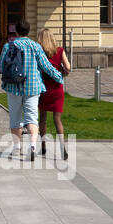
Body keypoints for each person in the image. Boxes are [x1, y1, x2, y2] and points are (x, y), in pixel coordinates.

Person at [0, 20, 61, 161]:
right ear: (29, 32)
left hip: (13, 87)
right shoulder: (35, 46)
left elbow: (0, 67)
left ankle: (16, 149)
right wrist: (58, 77)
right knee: (32, 117)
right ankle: (32, 147)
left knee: (15, 118)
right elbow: (46, 65)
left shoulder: (8, 46)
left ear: (16, 31)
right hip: (33, 87)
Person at [35, 29, 71, 161]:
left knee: (42, 119)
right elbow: (68, 67)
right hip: (57, 89)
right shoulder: (60, 50)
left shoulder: (39, 52)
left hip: (43, 88)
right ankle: (63, 149)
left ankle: (43, 145)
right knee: (57, 119)